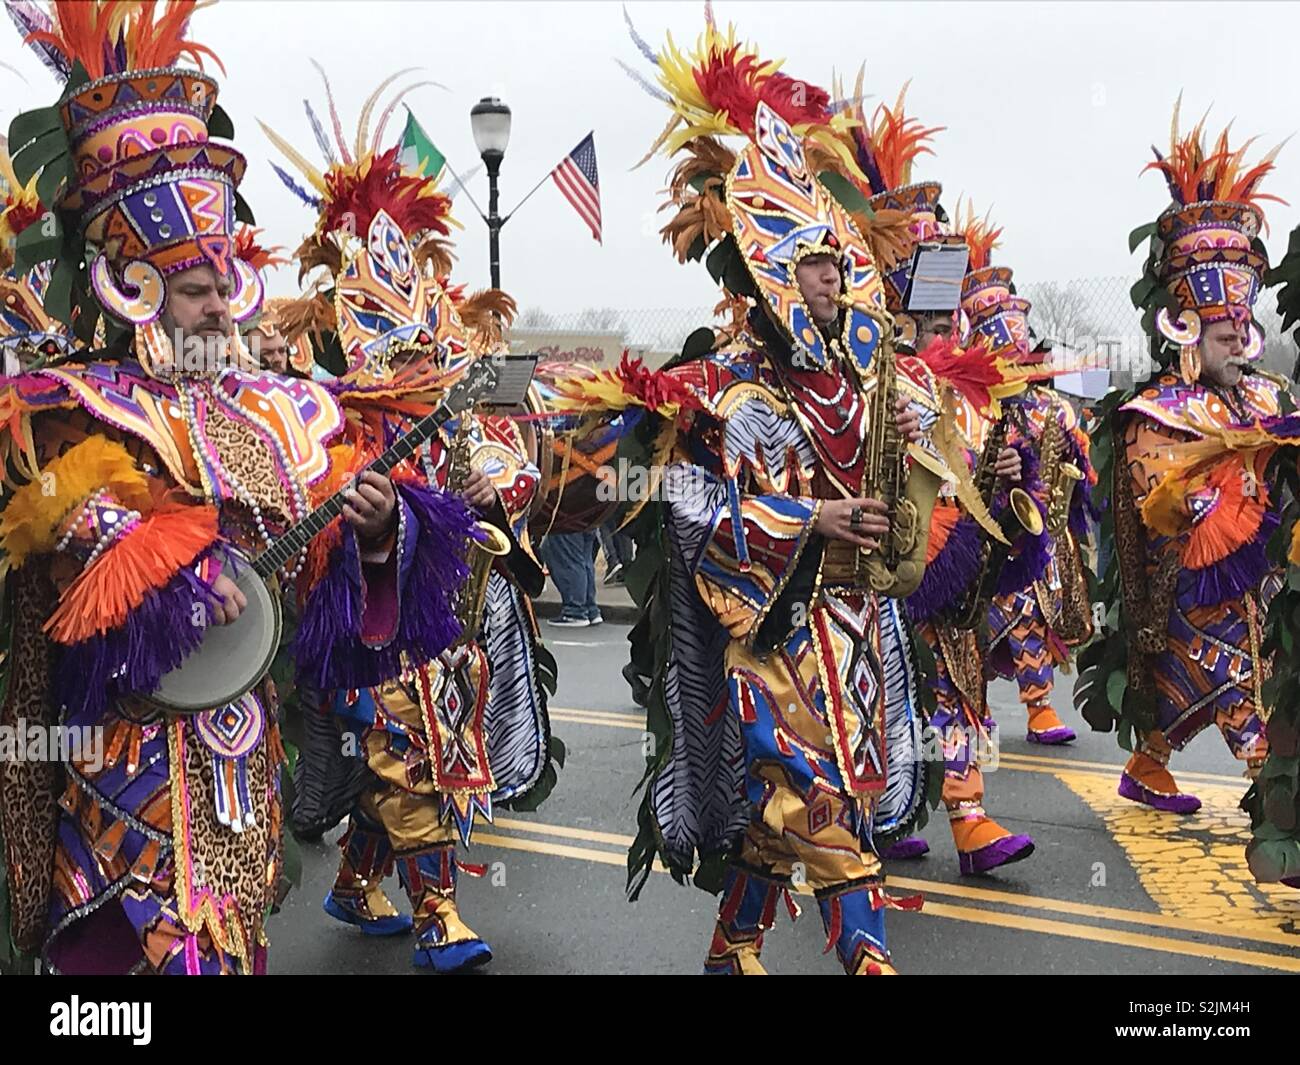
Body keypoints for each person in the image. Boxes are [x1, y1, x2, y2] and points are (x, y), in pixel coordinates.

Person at [0, 1, 471, 975]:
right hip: (119, 758)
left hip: (241, 754)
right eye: (199, 286)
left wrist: (376, 537)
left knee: (229, 948)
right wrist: (151, 562)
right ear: (139, 290)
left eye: (226, 280)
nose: (223, 299)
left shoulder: (279, 417)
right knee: (120, 974)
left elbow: (347, 619)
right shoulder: (68, 405)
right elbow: (58, 521)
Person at [603, 18, 961, 974]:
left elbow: (939, 462)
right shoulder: (725, 389)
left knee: (786, 813)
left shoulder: (881, 382)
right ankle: (870, 960)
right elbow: (684, 507)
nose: (832, 281)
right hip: (769, 635)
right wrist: (810, 518)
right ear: (769, 274)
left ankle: (733, 949)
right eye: (812, 266)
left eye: (838, 264)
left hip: (855, 630)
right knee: (819, 805)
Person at [262, 77, 560, 971]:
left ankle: (356, 882)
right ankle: (439, 913)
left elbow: (500, 461)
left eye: (425, 347)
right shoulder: (326, 413)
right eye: (401, 349)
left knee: (416, 757)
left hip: (453, 615)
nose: (419, 361)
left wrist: (488, 482)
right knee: (408, 755)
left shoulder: (448, 398)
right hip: (373, 617)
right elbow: (313, 509)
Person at [1076, 106, 1298, 885]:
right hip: (1200, 597)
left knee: (1218, 678)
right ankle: (1276, 815)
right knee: (1250, 693)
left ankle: (1147, 759)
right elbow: (1155, 500)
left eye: (1244, 328)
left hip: (1265, 586)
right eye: (1222, 332)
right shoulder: (1155, 412)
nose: (1239, 341)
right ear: (1185, 329)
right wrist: (1216, 496)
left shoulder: (1270, 398)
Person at [541, 529, 602, 625]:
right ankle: (590, 609)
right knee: (584, 558)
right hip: (588, 519)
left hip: (566, 521)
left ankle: (575, 610)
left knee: (568, 558)